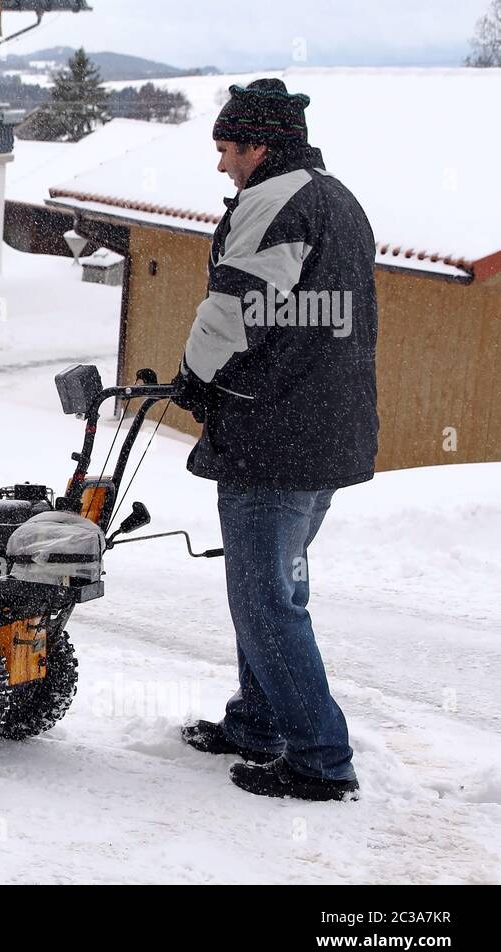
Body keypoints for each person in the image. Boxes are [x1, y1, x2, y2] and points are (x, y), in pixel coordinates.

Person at [169, 78, 379, 801]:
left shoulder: (274, 200)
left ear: (259, 145)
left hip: (277, 432)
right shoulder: (335, 197)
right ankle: (258, 721)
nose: (222, 164)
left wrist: (193, 377)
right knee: (274, 584)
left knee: (265, 599)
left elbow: (233, 310)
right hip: (324, 428)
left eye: (227, 149)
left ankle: (321, 758)